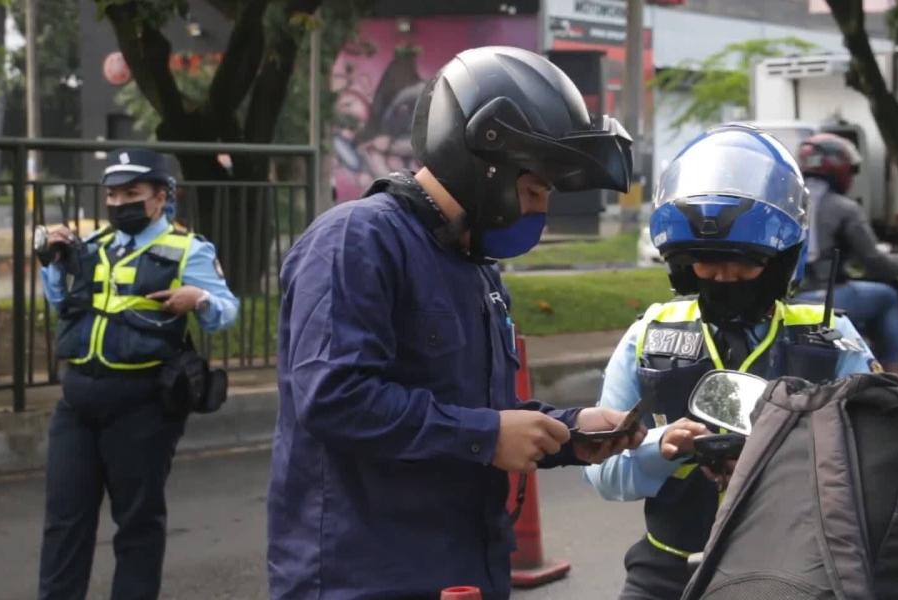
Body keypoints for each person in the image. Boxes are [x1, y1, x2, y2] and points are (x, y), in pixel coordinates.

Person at [268, 46, 643, 600]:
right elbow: (334, 398)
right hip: (365, 578)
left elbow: (467, 410)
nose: (539, 209)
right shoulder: (356, 240)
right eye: (534, 188)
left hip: (465, 569)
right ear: (482, 163)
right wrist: (487, 436)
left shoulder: (474, 267)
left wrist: (567, 431)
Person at [584, 124, 879, 600]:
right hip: (668, 573)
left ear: (782, 259)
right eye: (707, 262)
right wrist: (663, 447)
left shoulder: (830, 340)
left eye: (745, 262)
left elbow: (875, 459)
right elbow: (603, 474)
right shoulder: (649, 337)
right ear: (683, 264)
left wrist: (783, 456)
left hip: (797, 573)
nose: (725, 277)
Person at [36, 148, 239, 600]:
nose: (119, 202)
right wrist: (52, 263)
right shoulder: (94, 246)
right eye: (112, 194)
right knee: (64, 522)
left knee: (137, 525)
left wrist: (199, 300)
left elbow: (227, 310)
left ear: (161, 196)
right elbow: (63, 305)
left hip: (142, 406)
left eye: (132, 192)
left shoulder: (188, 249)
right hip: (77, 404)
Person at [794, 132, 898, 373]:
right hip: (827, 297)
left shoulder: (786, 202)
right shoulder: (845, 208)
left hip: (789, 301)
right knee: (888, 296)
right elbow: (876, 264)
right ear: (839, 167)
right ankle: (893, 378)